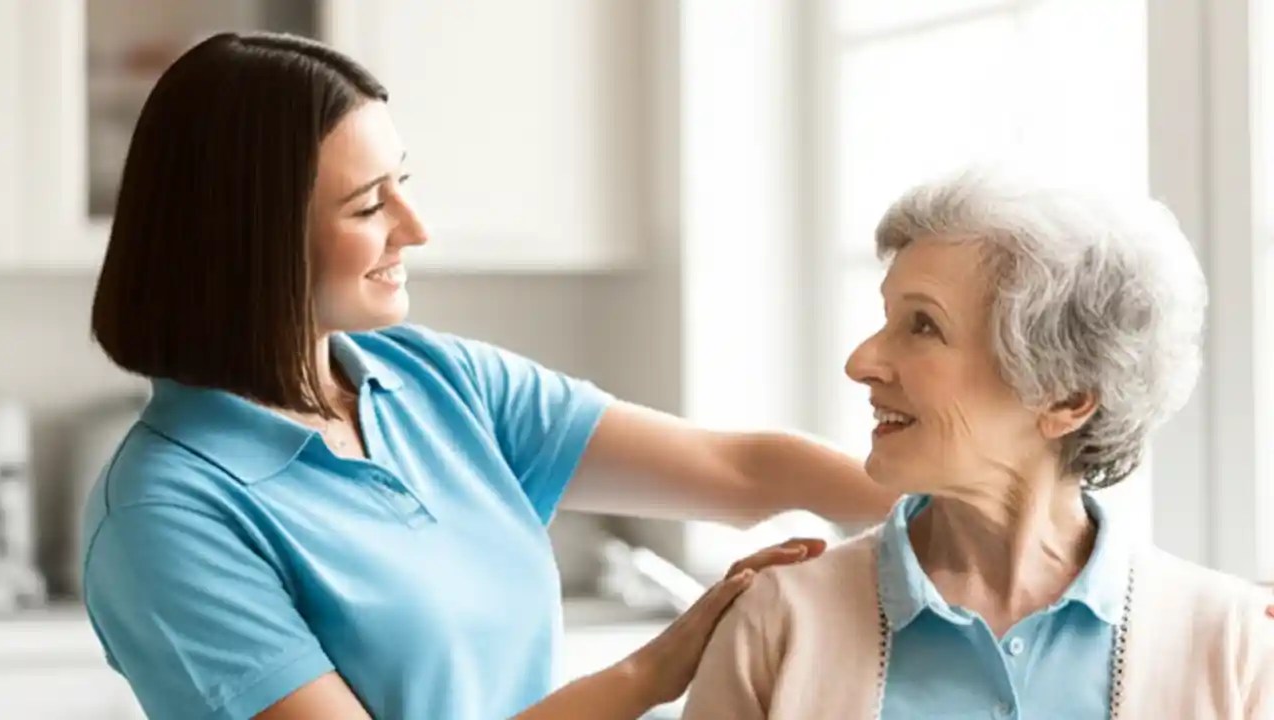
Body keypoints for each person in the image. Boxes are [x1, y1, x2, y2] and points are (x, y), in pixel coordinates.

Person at [79, 32, 896, 720]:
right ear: (248, 242)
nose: (415, 227)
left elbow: (744, 471)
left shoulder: (435, 382)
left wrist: (984, 510)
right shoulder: (165, 516)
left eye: (405, 183)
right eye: (369, 206)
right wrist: (655, 670)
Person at [683, 166, 1274, 718]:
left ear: (1066, 398)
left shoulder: (1234, 644)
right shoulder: (779, 622)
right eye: (887, 318)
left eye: (923, 325)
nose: (861, 361)